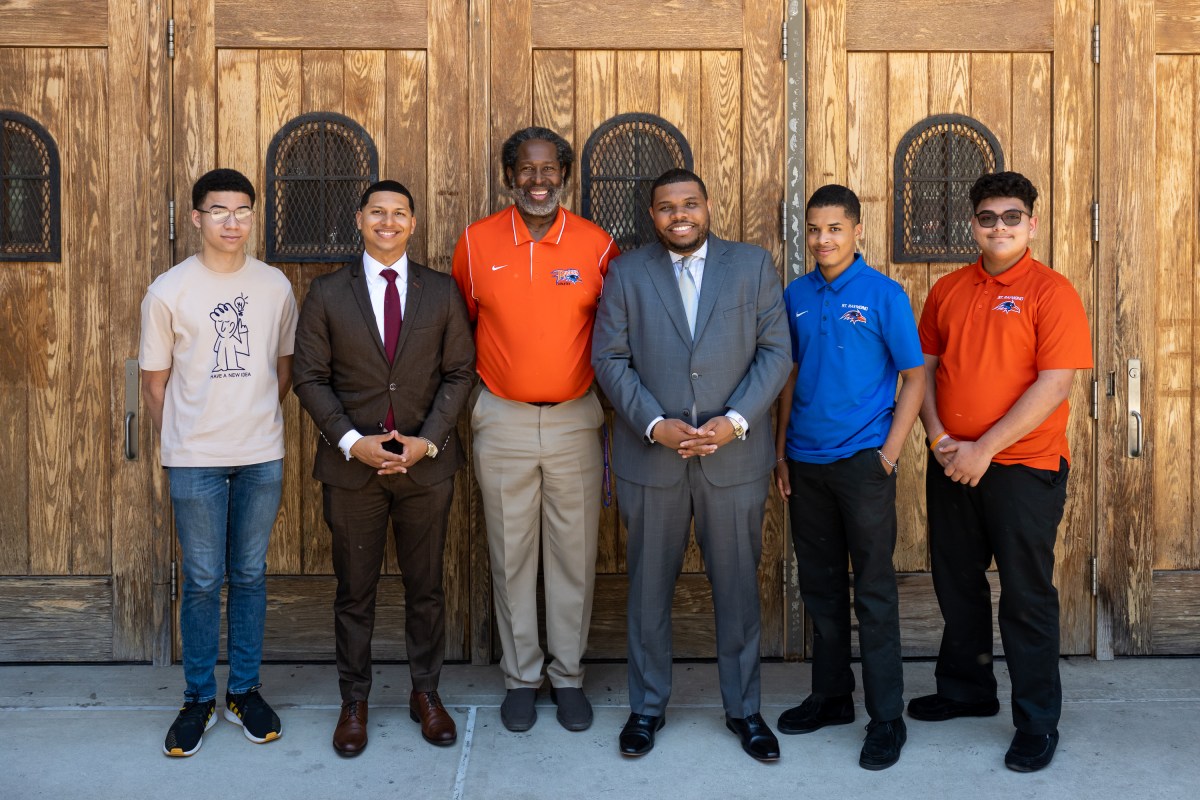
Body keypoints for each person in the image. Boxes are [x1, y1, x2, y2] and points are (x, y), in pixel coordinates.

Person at [592, 168, 791, 761]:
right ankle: (647, 708)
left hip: (734, 456)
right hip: (652, 458)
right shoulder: (626, 272)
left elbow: (776, 351)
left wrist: (736, 421)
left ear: (707, 206)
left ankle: (745, 710)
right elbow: (609, 358)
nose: (679, 215)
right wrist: (654, 424)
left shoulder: (751, 264)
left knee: (738, 588)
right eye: (666, 207)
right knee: (648, 590)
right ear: (652, 215)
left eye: (689, 204)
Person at [910, 171, 1092, 772]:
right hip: (951, 460)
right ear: (973, 225)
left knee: (1025, 594)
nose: (999, 227)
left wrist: (983, 448)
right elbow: (923, 371)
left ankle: (1037, 721)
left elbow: (1054, 384)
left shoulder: (1052, 291)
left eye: (1012, 216)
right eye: (987, 217)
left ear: (1032, 224)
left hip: (1023, 465)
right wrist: (939, 437)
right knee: (957, 583)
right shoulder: (948, 290)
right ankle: (967, 690)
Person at [293, 180, 475, 756]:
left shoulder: (441, 291)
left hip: (425, 468)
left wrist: (428, 442)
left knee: (427, 589)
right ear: (360, 219)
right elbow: (309, 377)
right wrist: (352, 442)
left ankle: (426, 693)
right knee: (355, 592)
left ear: (413, 223)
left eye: (399, 213)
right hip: (353, 470)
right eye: (378, 212)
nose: (388, 222)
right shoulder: (327, 292)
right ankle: (354, 701)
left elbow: (460, 372)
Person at [451, 127, 617, 733]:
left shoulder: (597, 245)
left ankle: (567, 676)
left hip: (575, 417)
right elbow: (464, 324)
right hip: (502, 416)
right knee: (510, 553)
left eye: (549, 170)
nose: (538, 180)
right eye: (527, 169)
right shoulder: (476, 242)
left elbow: (615, 331)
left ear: (564, 176)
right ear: (509, 176)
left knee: (574, 555)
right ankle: (522, 677)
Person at [140, 168, 297, 757]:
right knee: (204, 579)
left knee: (250, 574)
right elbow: (154, 384)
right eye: (219, 210)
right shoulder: (168, 290)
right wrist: (186, 440)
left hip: (260, 454)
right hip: (195, 460)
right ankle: (199, 697)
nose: (232, 222)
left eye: (243, 210)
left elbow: (283, 369)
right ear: (196, 217)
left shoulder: (275, 285)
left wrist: (251, 419)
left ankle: (245, 692)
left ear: (253, 216)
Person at [772, 185, 924, 770]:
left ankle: (887, 718)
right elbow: (787, 376)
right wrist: (781, 452)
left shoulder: (884, 294)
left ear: (857, 231)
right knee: (821, 587)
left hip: (863, 462)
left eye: (834, 228)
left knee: (874, 591)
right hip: (805, 462)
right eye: (814, 229)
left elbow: (915, 377)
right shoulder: (796, 295)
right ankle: (832, 696)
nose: (823, 239)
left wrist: (889, 454)